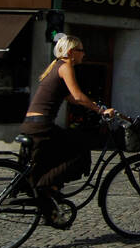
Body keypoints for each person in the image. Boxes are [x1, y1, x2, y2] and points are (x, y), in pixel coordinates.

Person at [21, 34, 114, 221]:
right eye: (81, 50)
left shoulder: (54, 67)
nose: (84, 54)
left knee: (61, 153)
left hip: (32, 125)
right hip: (42, 126)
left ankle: (49, 196)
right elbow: (78, 96)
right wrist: (99, 111)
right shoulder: (65, 66)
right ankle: (47, 186)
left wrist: (96, 106)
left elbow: (71, 98)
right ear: (71, 52)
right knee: (81, 152)